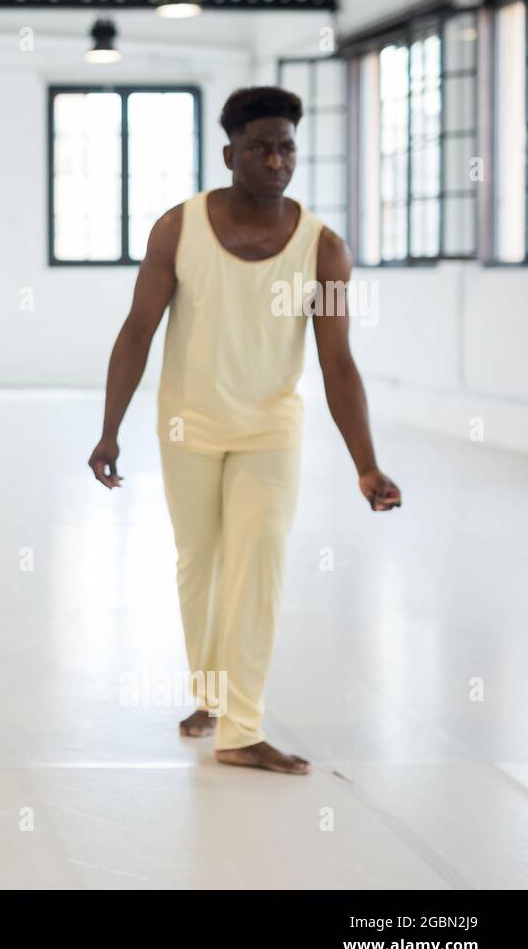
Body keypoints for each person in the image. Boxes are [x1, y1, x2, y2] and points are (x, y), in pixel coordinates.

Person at [88, 87, 402, 775]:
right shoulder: (179, 227)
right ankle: (210, 693)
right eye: (260, 146)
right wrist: (109, 429)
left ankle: (241, 726)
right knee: (199, 562)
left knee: (258, 563)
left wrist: (366, 464)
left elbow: (338, 360)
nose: (275, 159)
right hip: (187, 424)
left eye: (286, 145)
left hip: (270, 430)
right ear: (230, 154)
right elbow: (138, 329)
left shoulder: (325, 250)